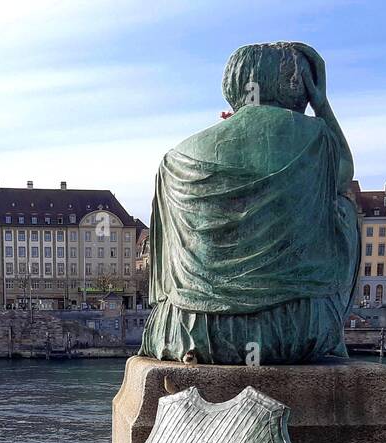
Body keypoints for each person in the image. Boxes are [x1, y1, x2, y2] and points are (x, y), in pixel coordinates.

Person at [140, 42, 359, 364]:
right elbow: (342, 175)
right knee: (343, 208)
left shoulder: (175, 156)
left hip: (187, 332)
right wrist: (322, 106)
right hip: (296, 331)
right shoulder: (315, 135)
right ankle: (322, 314)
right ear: (298, 86)